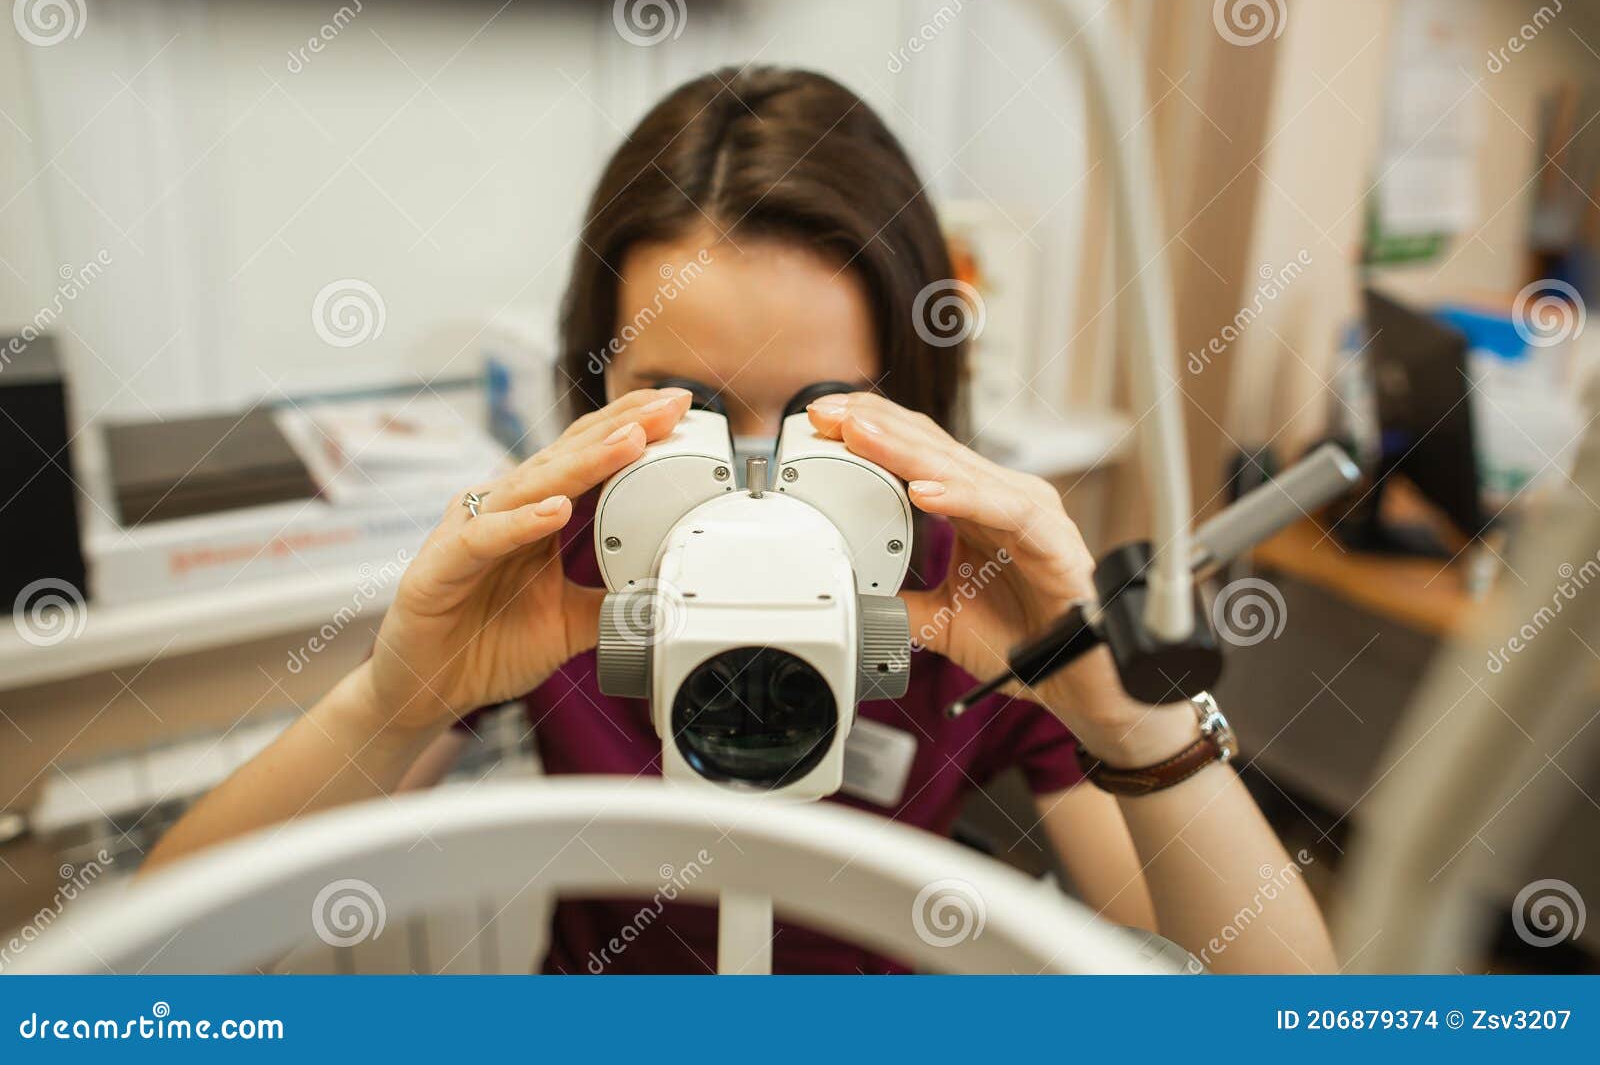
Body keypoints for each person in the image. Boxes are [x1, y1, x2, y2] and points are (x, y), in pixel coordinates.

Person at [146, 66, 1335, 974]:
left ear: (912, 401)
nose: (748, 476)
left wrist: (1135, 727)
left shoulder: (961, 585)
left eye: (821, 413)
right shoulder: (563, 566)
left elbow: (1277, 1009)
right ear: (597, 385)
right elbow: (155, 965)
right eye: (688, 409)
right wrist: (388, 702)